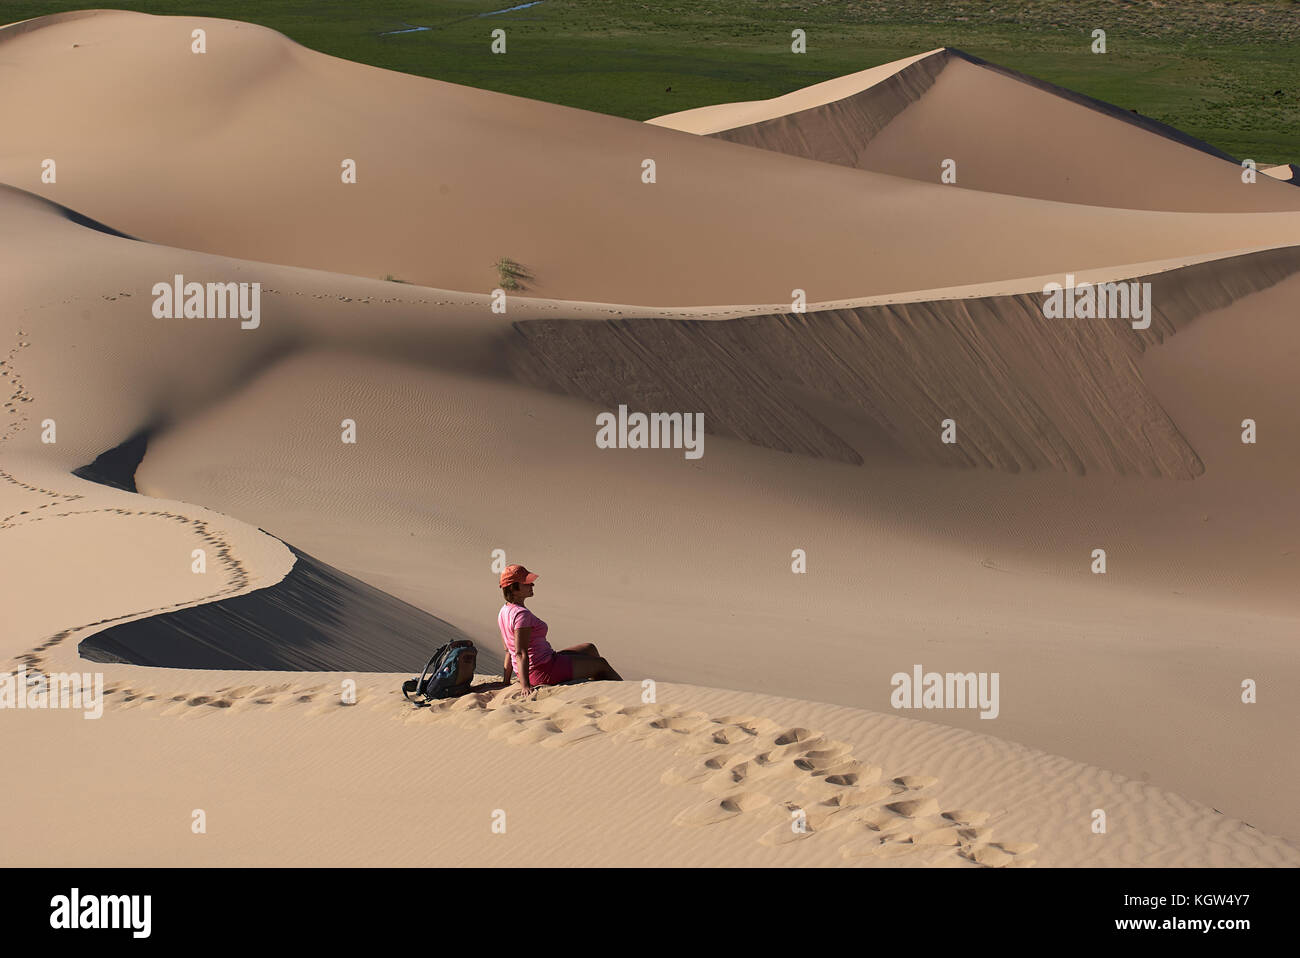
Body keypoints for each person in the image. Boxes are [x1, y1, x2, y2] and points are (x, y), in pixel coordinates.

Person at [497, 564, 621, 694]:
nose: (532, 585)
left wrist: (506, 681)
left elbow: (508, 650)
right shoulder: (522, 615)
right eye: (527, 583)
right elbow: (520, 652)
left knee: (589, 648)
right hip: (543, 670)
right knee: (601, 665)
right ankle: (622, 696)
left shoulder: (504, 610)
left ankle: (596, 690)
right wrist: (525, 686)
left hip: (546, 660)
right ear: (514, 588)